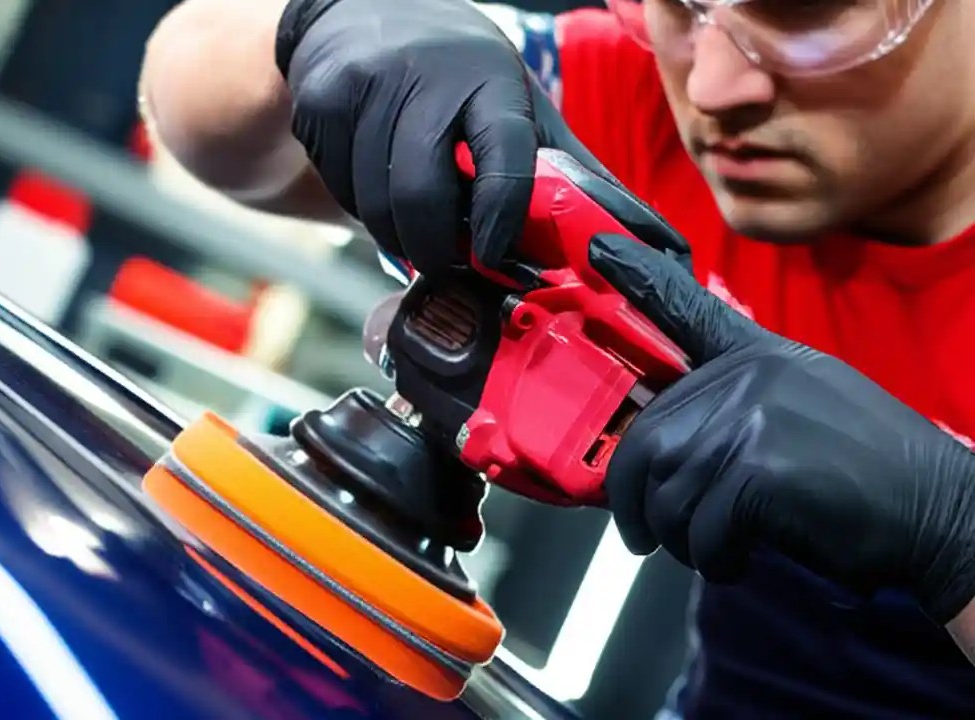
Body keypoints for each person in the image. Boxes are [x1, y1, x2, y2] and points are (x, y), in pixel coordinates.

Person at [138, 0, 975, 715]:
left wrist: (954, 534)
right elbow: (199, 97)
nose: (714, 87)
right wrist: (319, 22)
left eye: (800, 13)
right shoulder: (645, 109)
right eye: (680, 6)